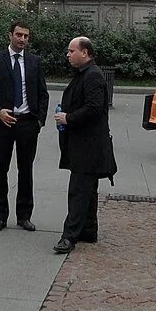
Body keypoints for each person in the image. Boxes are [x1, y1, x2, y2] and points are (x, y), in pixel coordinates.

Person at [0, 21, 50, 233]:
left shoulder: (34, 62)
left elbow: (43, 93)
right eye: (19, 35)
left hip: (28, 122)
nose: (23, 40)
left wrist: (39, 120)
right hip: (3, 122)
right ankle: (0, 216)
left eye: (26, 36)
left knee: (26, 170)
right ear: (10, 35)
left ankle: (24, 216)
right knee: (1, 169)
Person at [53, 37, 117, 253]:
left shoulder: (93, 76)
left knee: (79, 191)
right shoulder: (85, 74)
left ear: (85, 53)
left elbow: (93, 109)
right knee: (88, 190)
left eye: (72, 51)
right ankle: (88, 231)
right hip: (84, 144)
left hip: (88, 146)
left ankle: (68, 237)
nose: (68, 55)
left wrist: (68, 118)